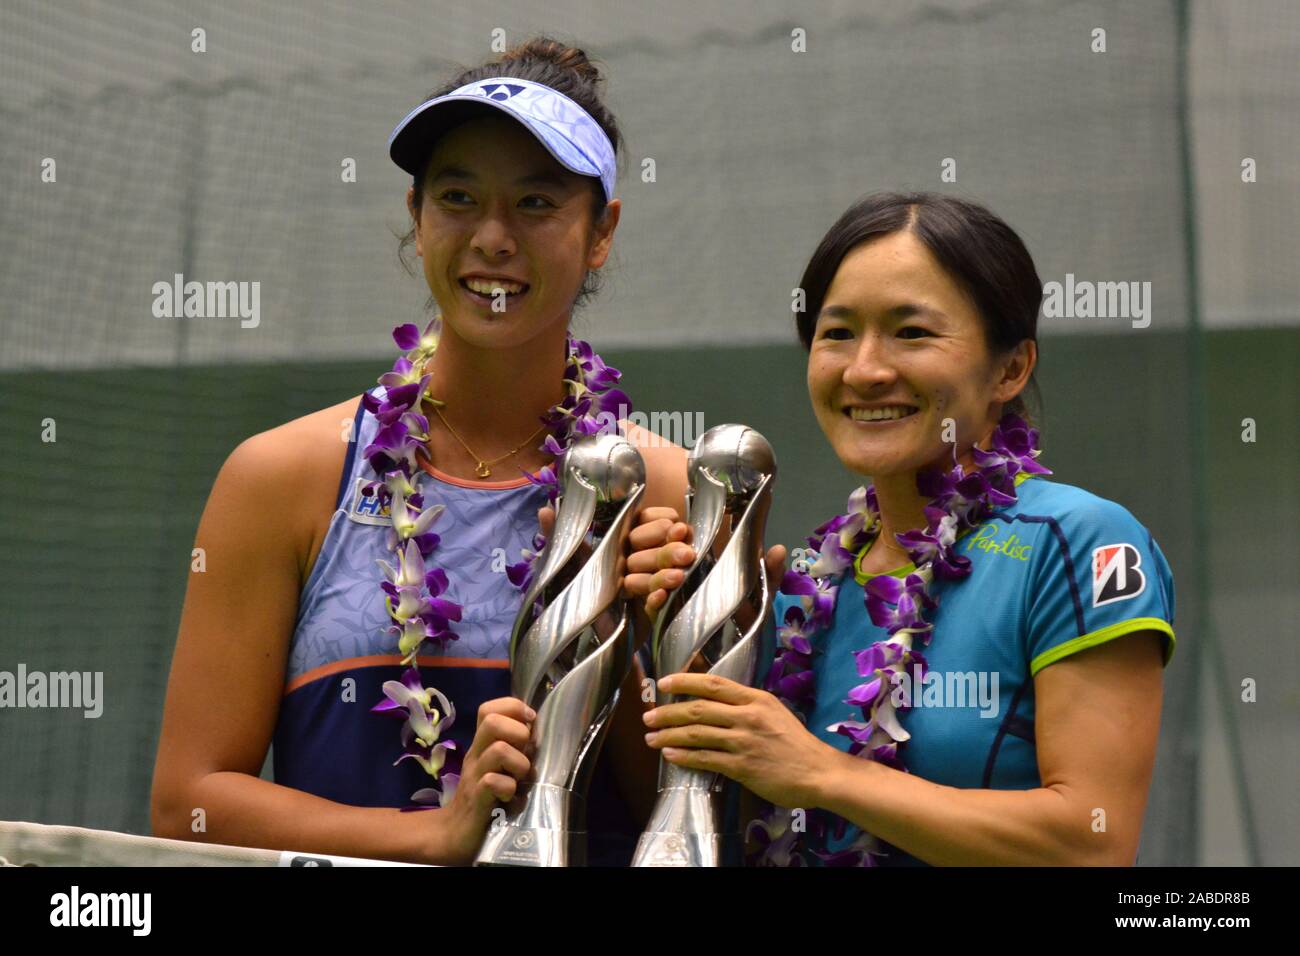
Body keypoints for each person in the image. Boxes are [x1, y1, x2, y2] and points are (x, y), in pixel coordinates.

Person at [151, 37, 683, 866]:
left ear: (602, 230)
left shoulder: (663, 488)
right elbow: (189, 802)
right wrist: (429, 836)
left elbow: (699, 816)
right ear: (417, 214)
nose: (493, 239)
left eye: (537, 204)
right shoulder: (282, 478)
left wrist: (623, 642)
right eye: (459, 196)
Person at [627, 192, 1176, 866]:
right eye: (837, 333)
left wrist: (826, 773)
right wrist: (673, 641)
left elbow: (1094, 842)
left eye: (911, 332)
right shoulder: (804, 592)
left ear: (1011, 367)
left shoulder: (1079, 542)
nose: (865, 370)